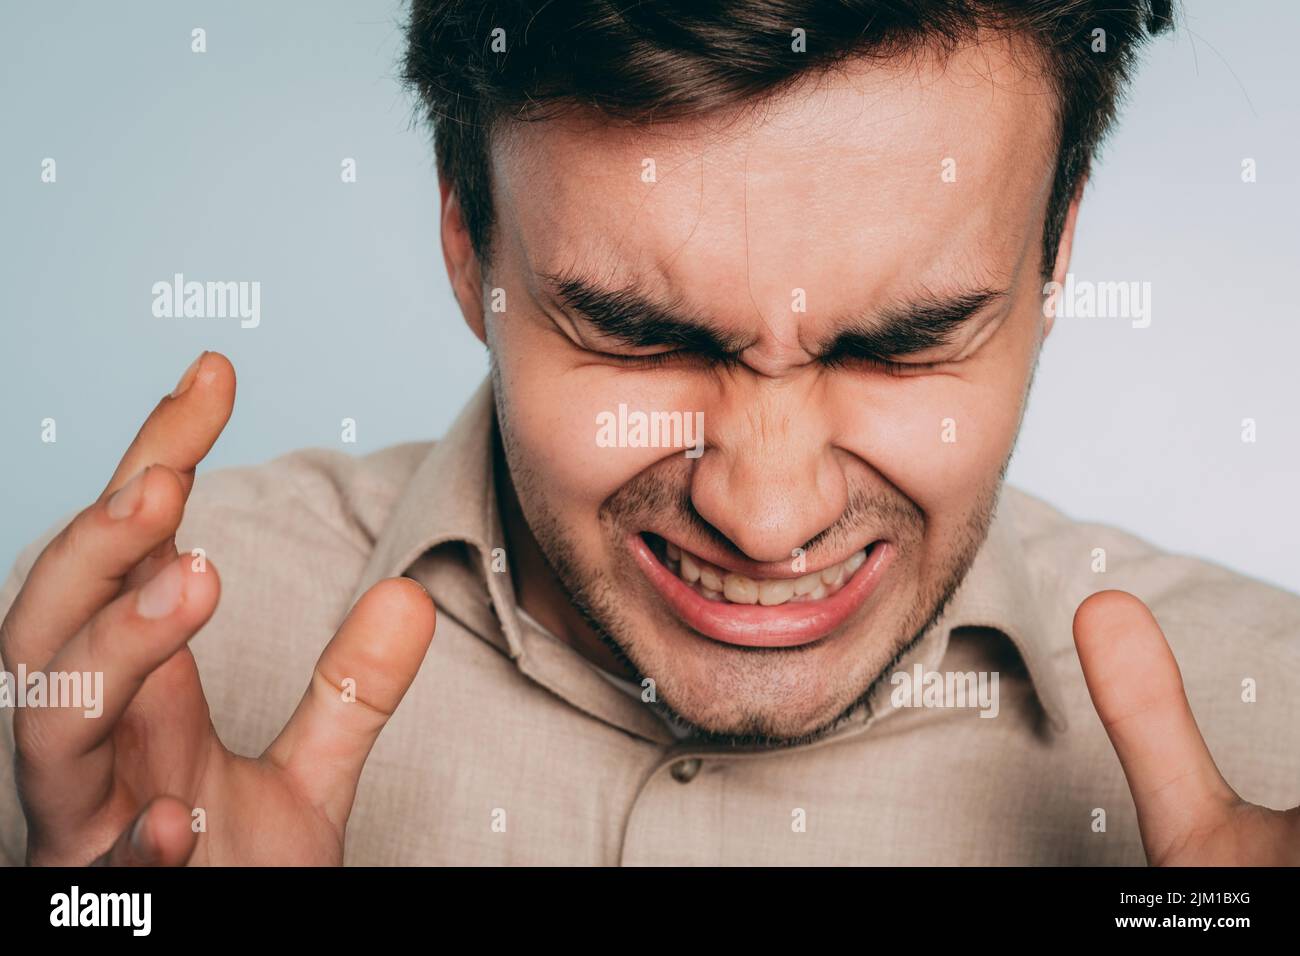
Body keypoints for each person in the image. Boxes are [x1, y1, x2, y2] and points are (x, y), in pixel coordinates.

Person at [2, 0, 1297, 866]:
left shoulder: (1276, 730)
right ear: (468, 239)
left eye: (899, 344)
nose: (767, 513)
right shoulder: (106, 691)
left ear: (1059, 249)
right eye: (641, 335)